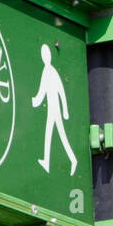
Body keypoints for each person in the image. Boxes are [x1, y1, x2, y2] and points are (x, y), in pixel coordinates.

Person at [31, 44, 77, 175]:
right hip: (51, 109)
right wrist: (36, 100)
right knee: (52, 134)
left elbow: (61, 91)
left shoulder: (50, 71)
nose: (45, 57)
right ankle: (48, 160)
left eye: (46, 54)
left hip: (54, 109)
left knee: (61, 136)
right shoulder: (46, 70)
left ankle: (72, 160)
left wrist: (65, 110)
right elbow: (42, 91)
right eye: (43, 54)